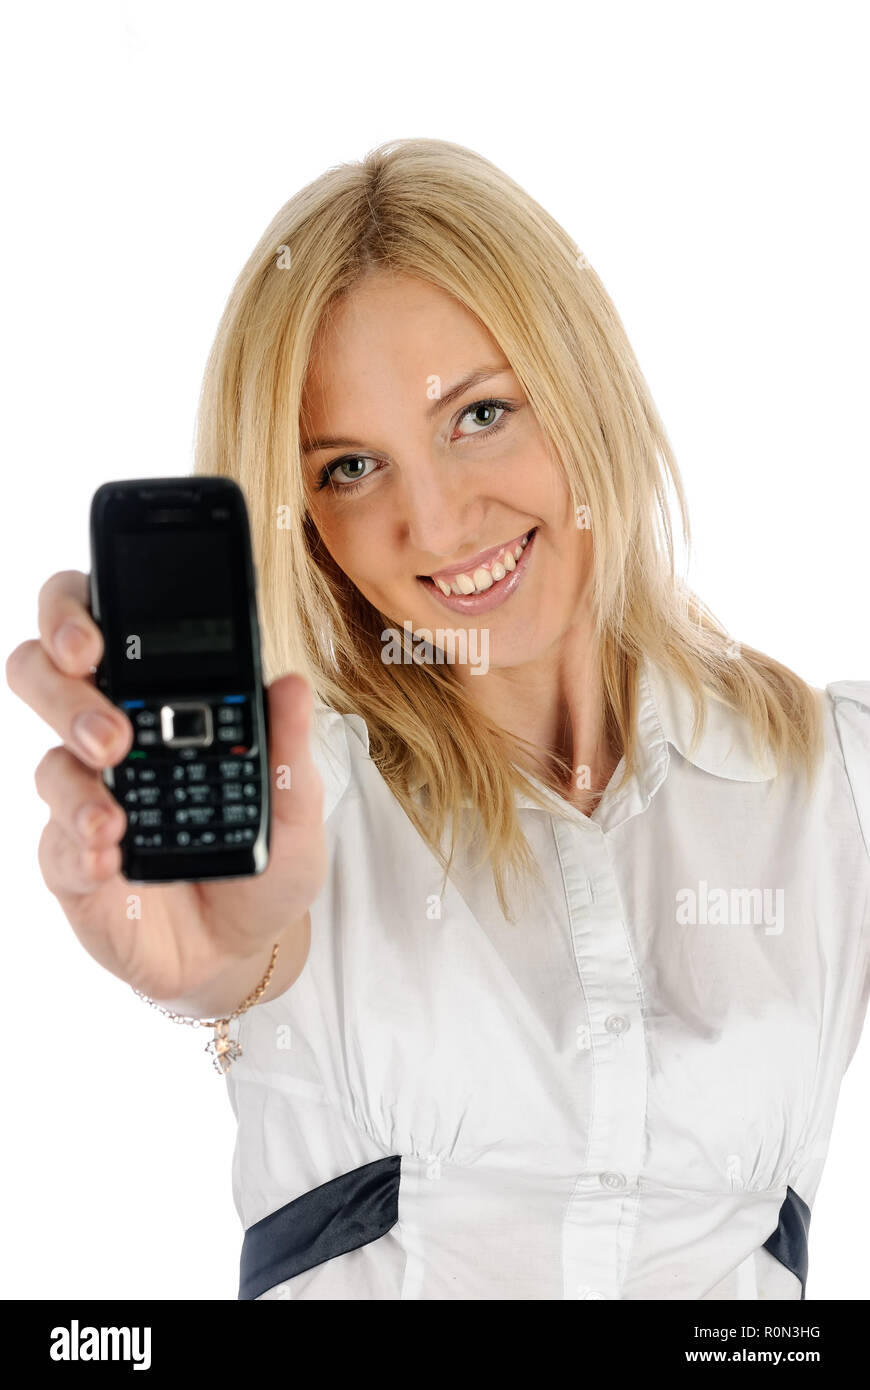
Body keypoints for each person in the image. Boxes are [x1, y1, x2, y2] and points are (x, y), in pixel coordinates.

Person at [7, 137, 870, 1301]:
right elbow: (244, 955)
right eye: (352, 466)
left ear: (584, 382)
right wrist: (207, 956)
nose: (437, 520)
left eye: (480, 415)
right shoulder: (302, 798)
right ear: (303, 516)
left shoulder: (833, 786)